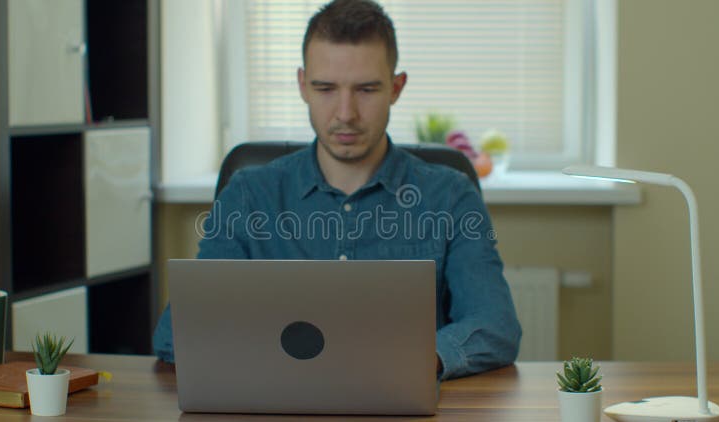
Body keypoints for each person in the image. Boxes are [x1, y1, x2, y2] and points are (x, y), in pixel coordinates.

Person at [153, 0, 521, 380]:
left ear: (396, 88)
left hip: (403, 400)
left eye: (366, 89)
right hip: (275, 402)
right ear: (302, 86)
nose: (345, 113)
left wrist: (420, 360)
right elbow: (175, 335)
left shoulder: (450, 196)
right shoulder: (248, 195)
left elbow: (495, 324)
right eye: (326, 88)